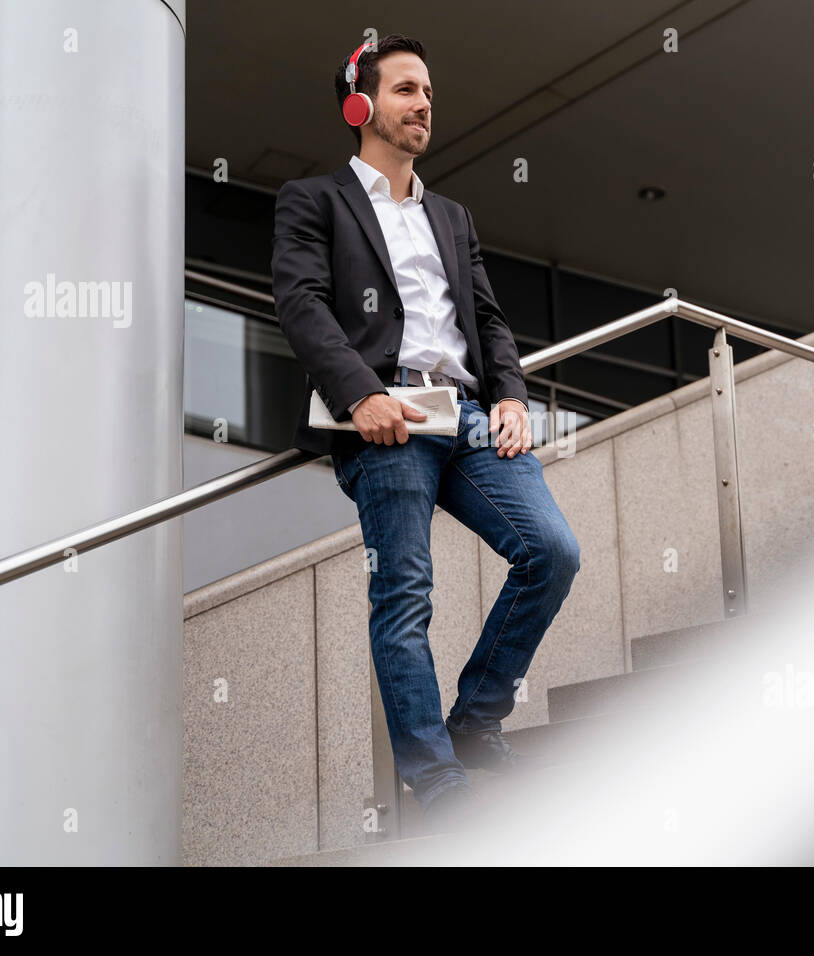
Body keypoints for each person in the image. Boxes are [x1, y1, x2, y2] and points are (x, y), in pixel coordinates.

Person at [270, 34, 581, 832]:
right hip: (388, 420)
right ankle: (438, 786)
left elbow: (487, 319)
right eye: (407, 90)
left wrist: (511, 395)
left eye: (430, 93)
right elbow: (303, 306)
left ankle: (475, 720)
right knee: (405, 598)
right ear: (361, 105)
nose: (425, 105)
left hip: (468, 416)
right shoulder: (314, 201)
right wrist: (358, 393)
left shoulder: (452, 216)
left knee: (552, 550)